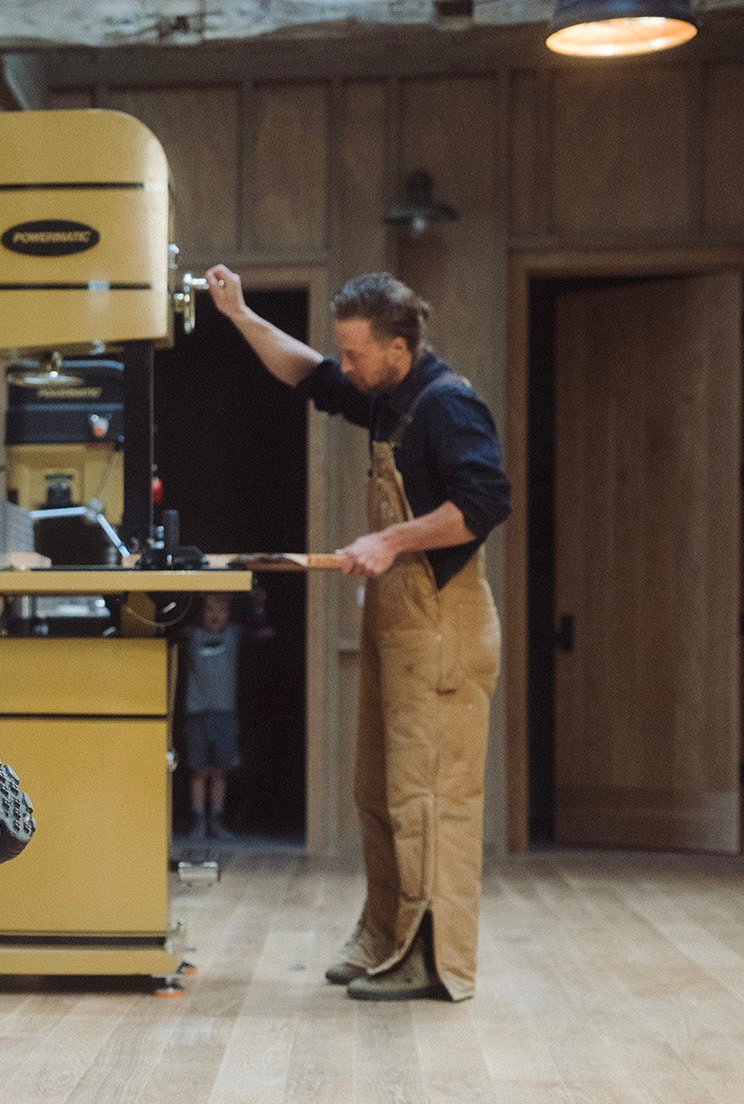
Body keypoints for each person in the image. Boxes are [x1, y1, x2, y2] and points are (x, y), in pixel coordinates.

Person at [205, 266, 510, 1002]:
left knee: (428, 796)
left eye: (356, 353)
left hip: (443, 627)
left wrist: (391, 539)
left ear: (399, 348)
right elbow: (307, 374)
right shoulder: (385, 396)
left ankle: (432, 957)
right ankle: (384, 935)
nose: (345, 366)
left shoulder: (447, 405)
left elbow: (485, 501)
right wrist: (240, 314)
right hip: (398, 621)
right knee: (380, 789)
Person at [179, 591, 272, 840]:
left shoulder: (233, 634)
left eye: (221, 611)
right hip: (197, 713)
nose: (215, 616)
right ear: (202, 613)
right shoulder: (192, 636)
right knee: (199, 771)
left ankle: (216, 822)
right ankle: (198, 823)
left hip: (225, 713)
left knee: (220, 772)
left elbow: (263, 632)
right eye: (210, 610)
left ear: (229, 614)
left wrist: (257, 604)